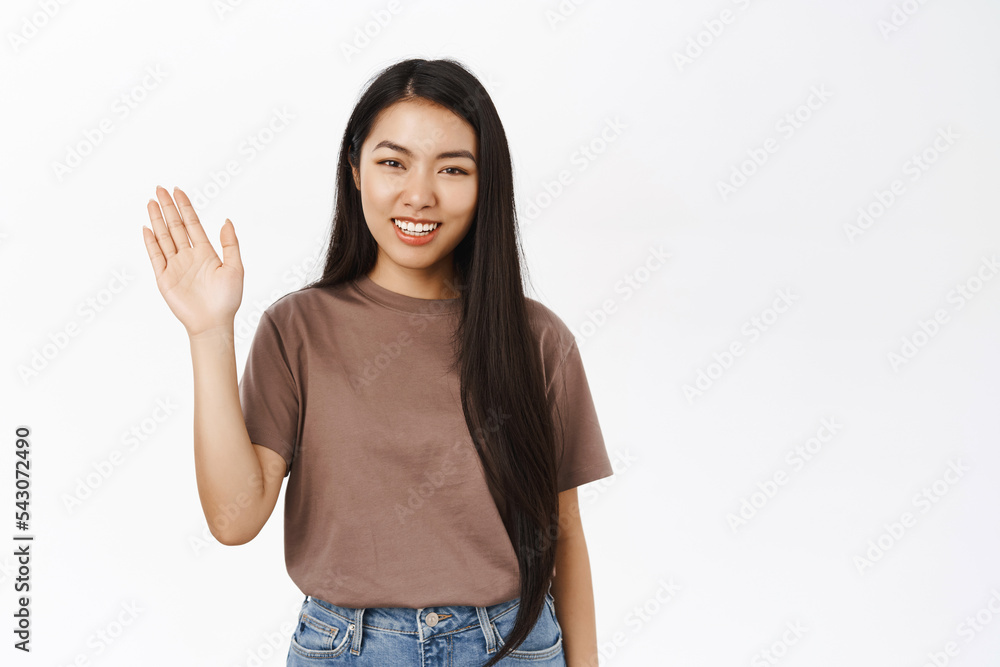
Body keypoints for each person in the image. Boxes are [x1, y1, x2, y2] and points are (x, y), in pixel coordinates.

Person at [141, 57, 614, 666]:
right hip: (348, 649)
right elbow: (235, 520)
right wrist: (209, 332)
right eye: (393, 162)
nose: (419, 194)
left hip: (513, 646)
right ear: (355, 171)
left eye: (453, 169)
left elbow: (565, 531)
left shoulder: (537, 337)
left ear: (486, 183)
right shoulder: (297, 329)